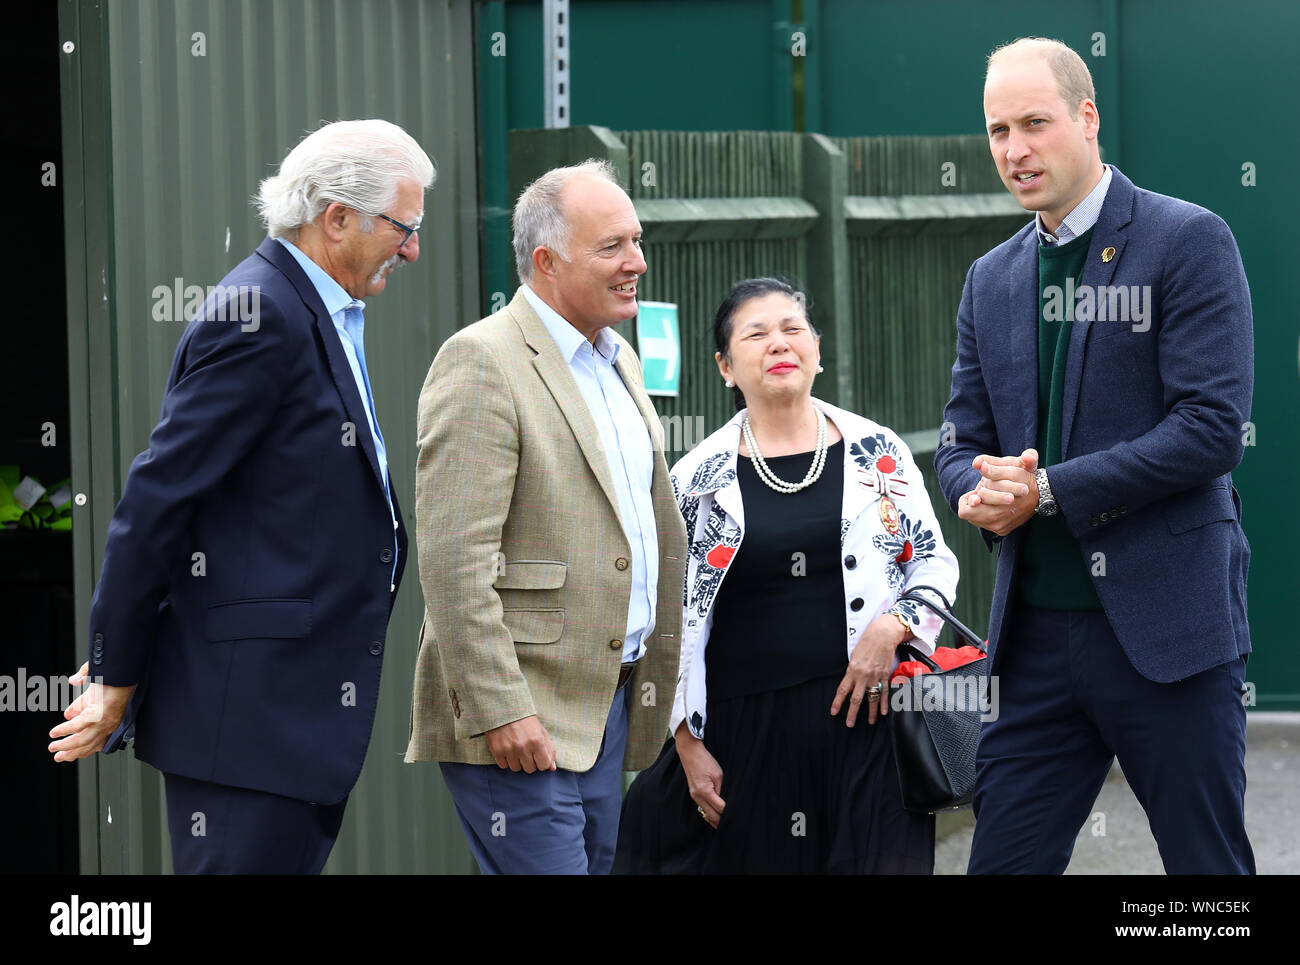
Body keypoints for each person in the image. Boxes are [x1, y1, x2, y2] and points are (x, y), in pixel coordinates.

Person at [47, 119, 435, 874]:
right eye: (404, 226)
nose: (414, 248)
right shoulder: (260, 314)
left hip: (288, 721)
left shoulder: (318, 309)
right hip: (250, 724)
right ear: (336, 219)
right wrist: (113, 671)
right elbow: (158, 499)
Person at [934, 37, 1255, 874]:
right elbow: (961, 440)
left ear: (1087, 117)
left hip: (1169, 633)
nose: (1014, 149)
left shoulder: (1187, 239)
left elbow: (1211, 427)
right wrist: (981, 486)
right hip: (1034, 643)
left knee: (1206, 876)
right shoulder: (991, 279)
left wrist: (1043, 492)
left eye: (1034, 123)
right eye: (998, 130)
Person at [614, 278, 959, 874]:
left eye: (792, 329)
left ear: (817, 351)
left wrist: (895, 627)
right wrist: (688, 744)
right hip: (747, 735)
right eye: (757, 334)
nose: (779, 344)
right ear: (726, 367)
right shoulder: (698, 478)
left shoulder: (878, 452)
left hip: (871, 721)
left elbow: (932, 562)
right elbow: (668, 616)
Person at [404, 159, 687, 875]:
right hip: (520, 712)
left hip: (603, 708)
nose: (637, 263)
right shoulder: (481, 360)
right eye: (613, 246)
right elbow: (452, 562)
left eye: (636, 240)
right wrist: (501, 709)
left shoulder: (615, 358)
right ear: (546, 261)